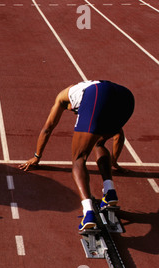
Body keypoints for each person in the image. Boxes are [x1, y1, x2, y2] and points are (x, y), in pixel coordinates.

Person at [19, 80, 134, 231]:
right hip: (126, 97)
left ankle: (88, 213)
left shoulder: (61, 98)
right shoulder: (87, 90)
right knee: (99, 143)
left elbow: (47, 128)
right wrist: (114, 162)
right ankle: (109, 191)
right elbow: (118, 135)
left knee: (79, 158)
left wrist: (37, 156)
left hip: (98, 94)